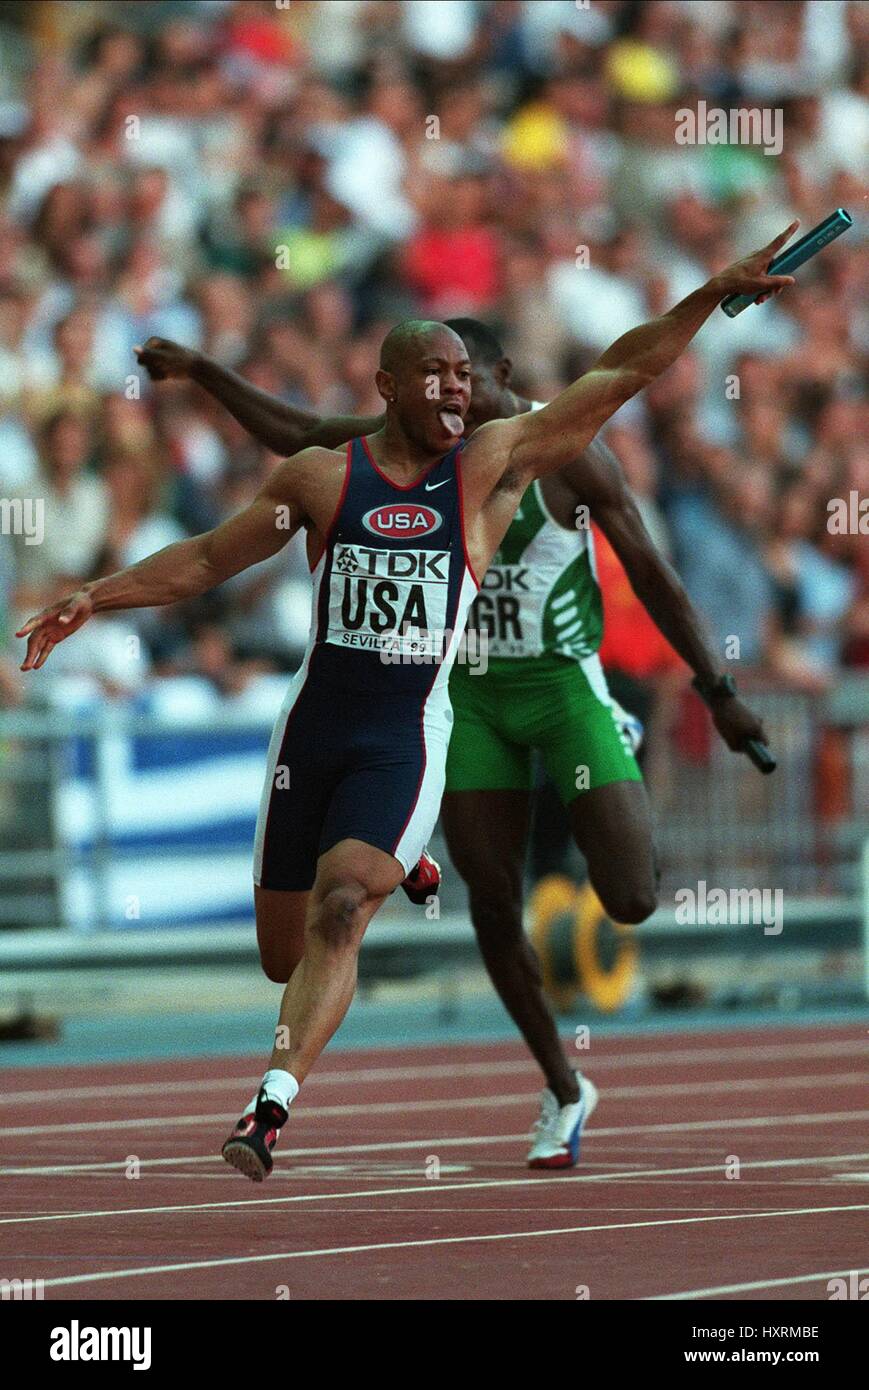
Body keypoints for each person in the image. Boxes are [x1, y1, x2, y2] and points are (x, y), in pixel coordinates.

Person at [17, 224, 795, 1180]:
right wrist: (96, 597)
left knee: (344, 912)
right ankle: (408, 861)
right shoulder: (322, 476)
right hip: (315, 726)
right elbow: (210, 558)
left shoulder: (490, 469)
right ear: (386, 388)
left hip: (420, 723)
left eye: (463, 376)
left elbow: (623, 371)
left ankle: (270, 1105)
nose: (455, 391)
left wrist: (710, 291)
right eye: (435, 375)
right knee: (280, 954)